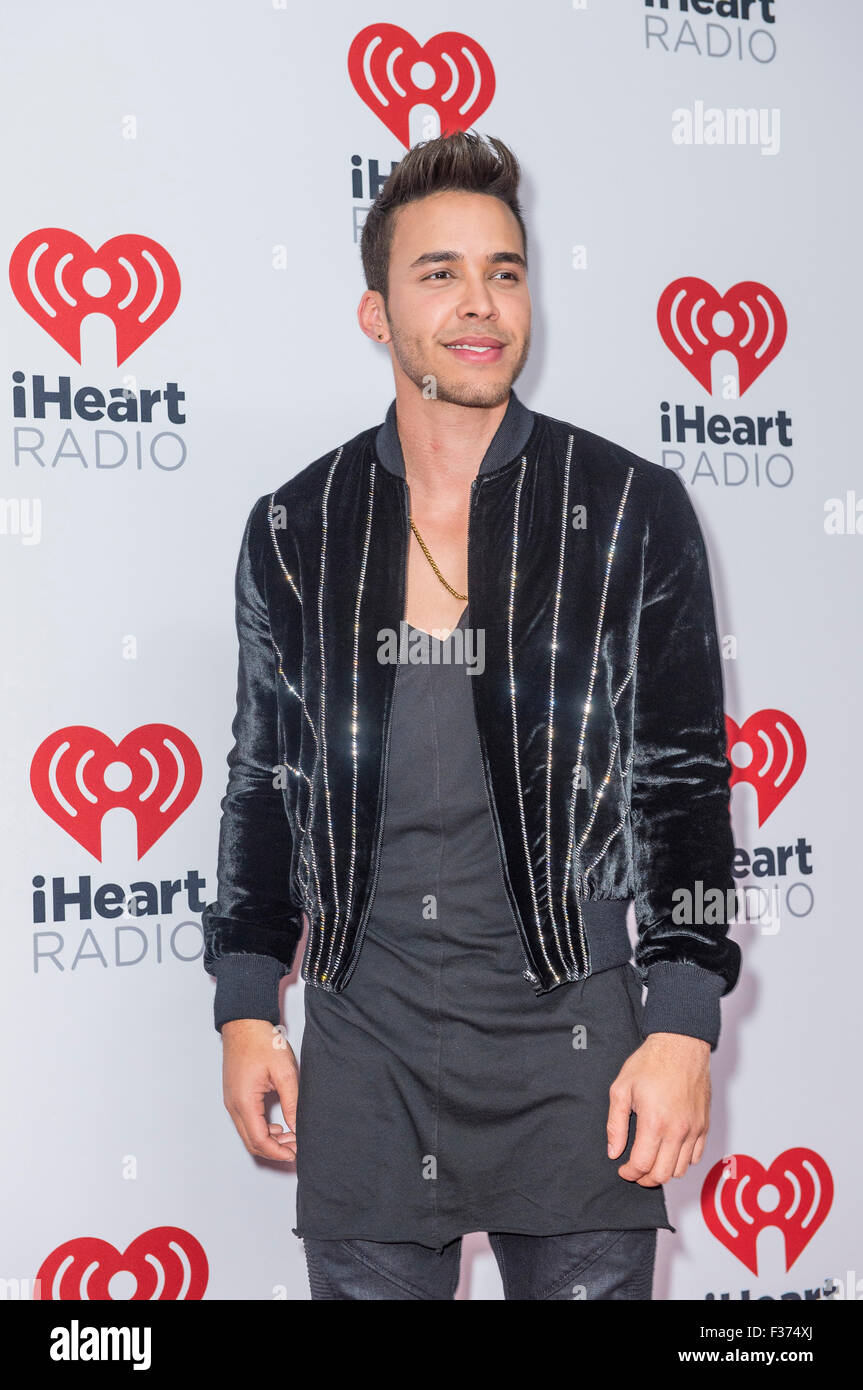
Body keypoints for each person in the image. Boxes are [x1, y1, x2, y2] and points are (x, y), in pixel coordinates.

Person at [202, 131, 741, 1301]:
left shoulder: (628, 508)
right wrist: (247, 1004)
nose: (479, 303)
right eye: (437, 273)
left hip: (579, 1054)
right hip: (366, 1056)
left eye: (503, 269)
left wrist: (684, 1019)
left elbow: (683, 779)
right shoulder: (297, 528)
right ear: (374, 311)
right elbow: (260, 783)